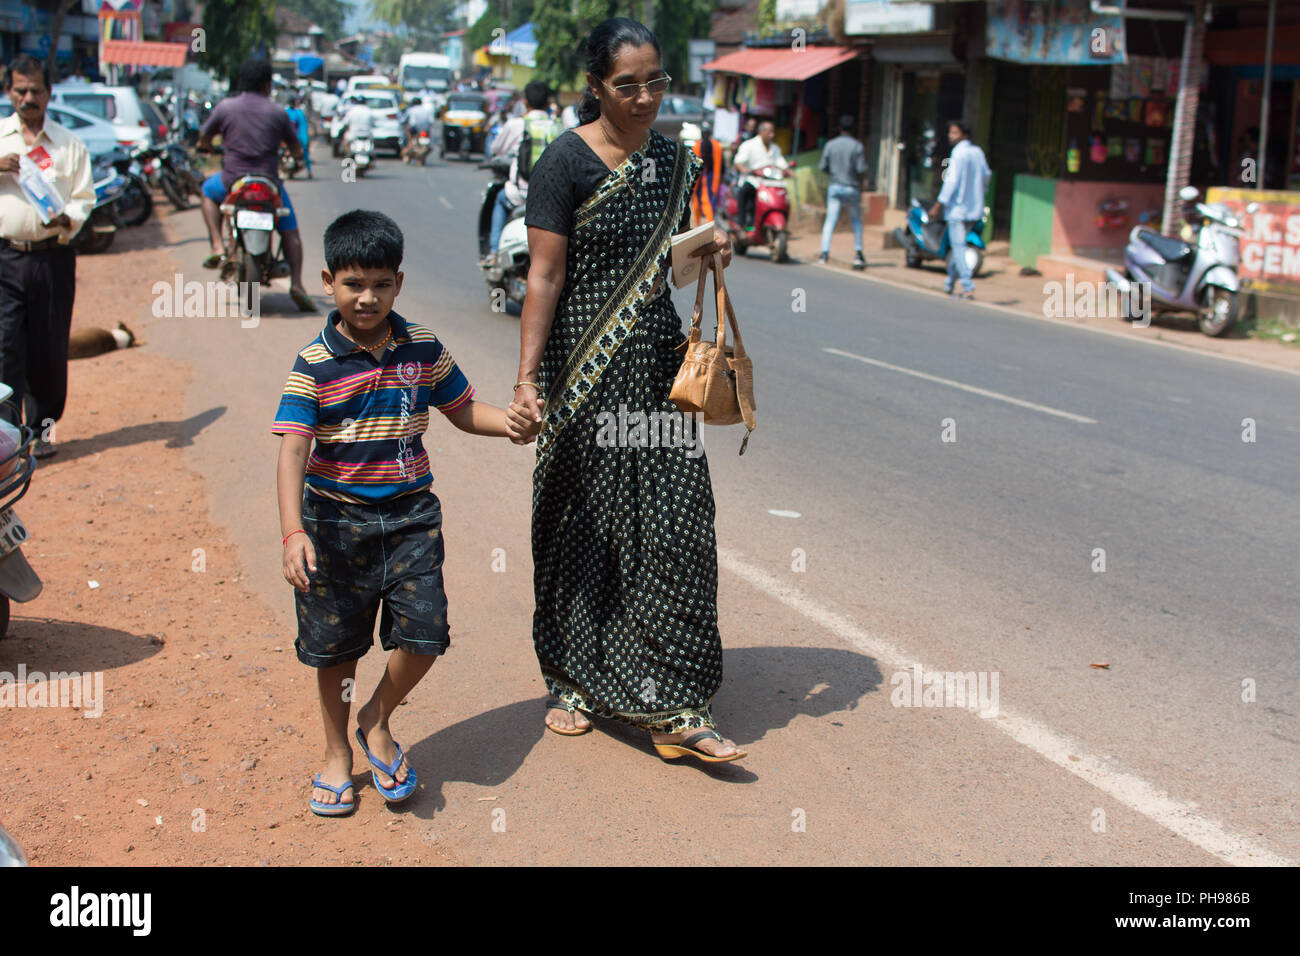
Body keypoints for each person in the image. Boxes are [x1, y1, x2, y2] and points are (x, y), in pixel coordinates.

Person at [505, 17, 746, 764]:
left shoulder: (674, 159)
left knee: (675, 529)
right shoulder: (564, 164)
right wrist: (526, 379)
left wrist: (712, 247)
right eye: (627, 85)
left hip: (653, 367)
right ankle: (573, 679)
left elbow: (670, 262)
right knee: (584, 525)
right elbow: (543, 276)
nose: (645, 97)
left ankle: (675, 703)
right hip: (581, 375)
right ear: (595, 86)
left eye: (656, 81)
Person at [273, 209, 514, 816]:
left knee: (426, 634)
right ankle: (336, 757)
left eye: (381, 284)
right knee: (337, 650)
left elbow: (463, 409)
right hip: (333, 525)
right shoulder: (314, 362)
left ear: (398, 284)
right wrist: (291, 532)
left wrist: (511, 424)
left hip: (411, 519)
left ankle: (376, 719)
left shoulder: (422, 346)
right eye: (354, 284)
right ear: (328, 281)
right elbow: (293, 451)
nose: (368, 297)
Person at [0, 55, 94, 457]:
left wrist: (66, 218)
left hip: (53, 259)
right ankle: (6, 435)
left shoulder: (69, 145)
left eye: (36, 90)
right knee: (5, 346)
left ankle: (43, 432)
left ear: (49, 93)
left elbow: (84, 198)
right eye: (20, 90)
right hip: (5, 258)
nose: (28, 97)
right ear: (9, 92)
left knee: (50, 347)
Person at [197, 58, 313, 311]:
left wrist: (207, 147)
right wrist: (296, 158)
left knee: (207, 191)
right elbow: (295, 148)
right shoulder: (277, 112)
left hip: (232, 182)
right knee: (290, 232)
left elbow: (204, 136)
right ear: (267, 84)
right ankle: (297, 284)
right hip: (269, 183)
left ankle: (217, 244)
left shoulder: (226, 107)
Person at [484, 80, 560, 263]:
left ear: (525, 101)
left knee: (499, 198)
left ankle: (493, 252)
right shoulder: (558, 127)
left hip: (520, 194)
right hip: (552, 198)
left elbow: (496, 148)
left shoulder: (516, 124)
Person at [929, 118, 990, 299]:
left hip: (957, 210)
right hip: (974, 209)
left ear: (964, 135)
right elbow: (987, 177)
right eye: (950, 132)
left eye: (954, 133)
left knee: (958, 248)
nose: (951, 136)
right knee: (959, 246)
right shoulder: (978, 152)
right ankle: (949, 283)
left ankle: (967, 286)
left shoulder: (957, 153)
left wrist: (938, 205)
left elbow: (951, 182)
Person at [818, 113, 868, 270]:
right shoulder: (857, 146)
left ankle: (824, 253)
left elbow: (822, 167)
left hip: (835, 186)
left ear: (839, 128)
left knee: (830, 220)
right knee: (856, 221)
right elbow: (861, 168)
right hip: (851, 187)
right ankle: (858, 253)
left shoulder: (830, 145)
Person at [733, 119, 787, 229]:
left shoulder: (775, 148)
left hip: (770, 182)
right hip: (753, 179)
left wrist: (789, 171)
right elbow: (739, 161)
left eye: (773, 132)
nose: (772, 135)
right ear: (761, 132)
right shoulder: (749, 145)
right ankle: (742, 222)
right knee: (744, 193)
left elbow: (782, 163)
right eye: (769, 132)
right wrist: (744, 169)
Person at [691, 119, 723, 227]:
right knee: (700, 200)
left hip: (710, 176)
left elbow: (721, 165)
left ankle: (708, 224)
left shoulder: (715, 146)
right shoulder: (697, 146)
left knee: (708, 201)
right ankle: (699, 223)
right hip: (702, 176)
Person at [285, 95, 311, 178]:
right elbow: (304, 127)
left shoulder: (286, 112)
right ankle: (309, 171)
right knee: (305, 152)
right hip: (296, 138)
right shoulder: (299, 113)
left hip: (290, 138)